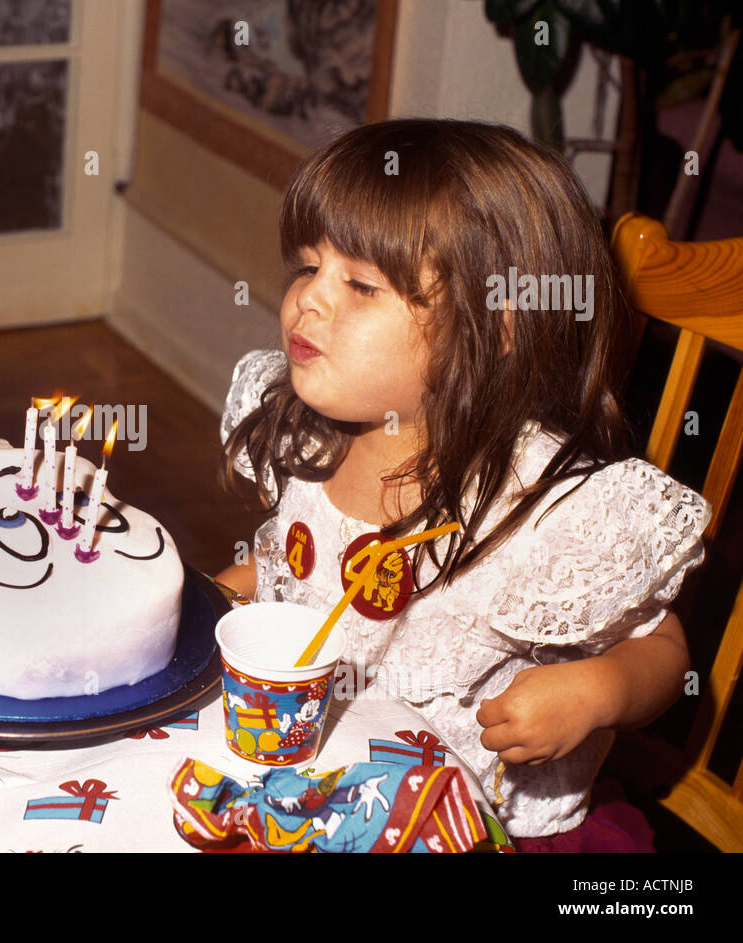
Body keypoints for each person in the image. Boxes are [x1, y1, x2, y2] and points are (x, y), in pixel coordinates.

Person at [216, 118, 708, 849]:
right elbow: (288, 575)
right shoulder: (309, 427)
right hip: (319, 788)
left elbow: (664, 648)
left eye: (359, 283)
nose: (307, 301)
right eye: (306, 267)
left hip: (479, 825)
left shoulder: (542, 502)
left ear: (493, 327)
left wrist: (595, 691)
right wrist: (216, 597)